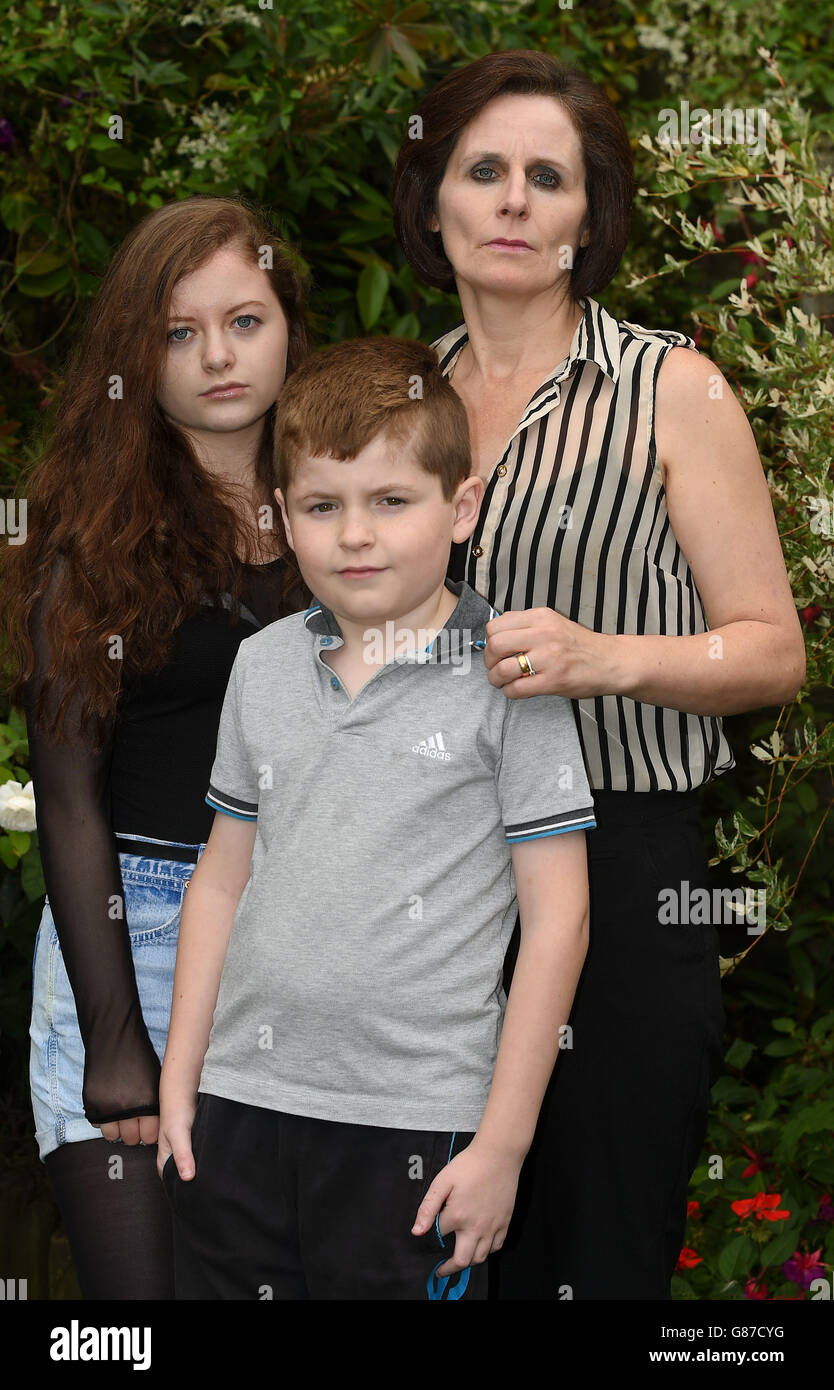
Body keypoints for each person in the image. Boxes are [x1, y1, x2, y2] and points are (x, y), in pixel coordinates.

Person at [390, 50, 806, 1299]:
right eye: (484, 170)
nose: (514, 200)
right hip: (439, 879)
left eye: (548, 177)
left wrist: (599, 657)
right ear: (436, 204)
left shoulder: (672, 389)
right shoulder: (406, 393)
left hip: (623, 877)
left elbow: (773, 650)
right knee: (437, 1251)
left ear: (588, 217)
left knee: (600, 1252)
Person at [157, 335, 596, 1301]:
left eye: (391, 501)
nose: (355, 535)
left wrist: (502, 1147)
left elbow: (559, 918)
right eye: (322, 506)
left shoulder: (511, 679)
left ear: (461, 505)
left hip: (418, 1131)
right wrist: (180, 1082)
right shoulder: (261, 664)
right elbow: (221, 878)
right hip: (240, 1109)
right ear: (284, 518)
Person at [1, 196, 312, 1299]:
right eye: (179, 333)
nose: (218, 357)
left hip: (307, 950)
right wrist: (115, 1044)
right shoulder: (91, 539)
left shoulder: (348, 515)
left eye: (245, 320)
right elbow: (70, 800)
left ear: (290, 326)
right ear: (138, 354)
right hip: (136, 930)